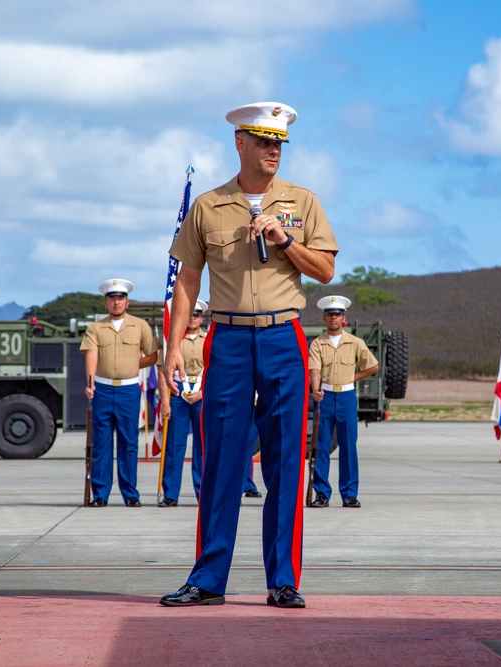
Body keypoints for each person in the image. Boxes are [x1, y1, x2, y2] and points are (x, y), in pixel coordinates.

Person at [160, 101, 337, 608]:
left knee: (285, 459)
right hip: (229, 339)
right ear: (240, 144)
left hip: (283, 336)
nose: (272, 151)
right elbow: (188, 280)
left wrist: (285, 240)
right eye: (263, 142)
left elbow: (324, 270)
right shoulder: (208, 206)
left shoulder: (302, 202)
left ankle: (283, 580)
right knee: (221, 458)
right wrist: (173, 346)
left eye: (279, 143)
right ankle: (208, 579)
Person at [81, 279, 160, 507]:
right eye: (112, 299)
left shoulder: (140, 326)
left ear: (127, 302)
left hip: (129, 390)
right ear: (105, 303)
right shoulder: (96, 328)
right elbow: (92, 354)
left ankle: (130, 493)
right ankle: (100, 494)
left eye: (120, 298)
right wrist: (90, 383)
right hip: (103, 389)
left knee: (129, 442)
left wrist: (133, 366)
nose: (117, 303)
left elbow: (153, 355)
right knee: (101, 443)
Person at [308, 296, 378, 508]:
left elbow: (372, 366)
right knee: (322, 446)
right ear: (324, 318)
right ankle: (321, 493)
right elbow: (315, 370)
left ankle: (349, 494)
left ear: (343, 317)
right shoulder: (318, 343)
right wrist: (315, 390)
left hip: (347, 397)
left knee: (348, 446)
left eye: (337, 314)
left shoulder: (355, 342)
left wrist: (353, 378)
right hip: (325, 397)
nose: (334, 318)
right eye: (330, 314)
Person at [157, 300, 208, 507]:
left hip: (202, 395)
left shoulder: (209, 340)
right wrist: (165, 401)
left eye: (197, 315)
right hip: (178, 394)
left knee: (203, 447)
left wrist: (203, 393)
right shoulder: (173, 341)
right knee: (174, 445)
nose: (193, 319)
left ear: (202, 318)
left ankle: (204, 493)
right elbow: (163, 371)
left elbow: (217, 370)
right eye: (190, 315)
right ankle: (170, 494)